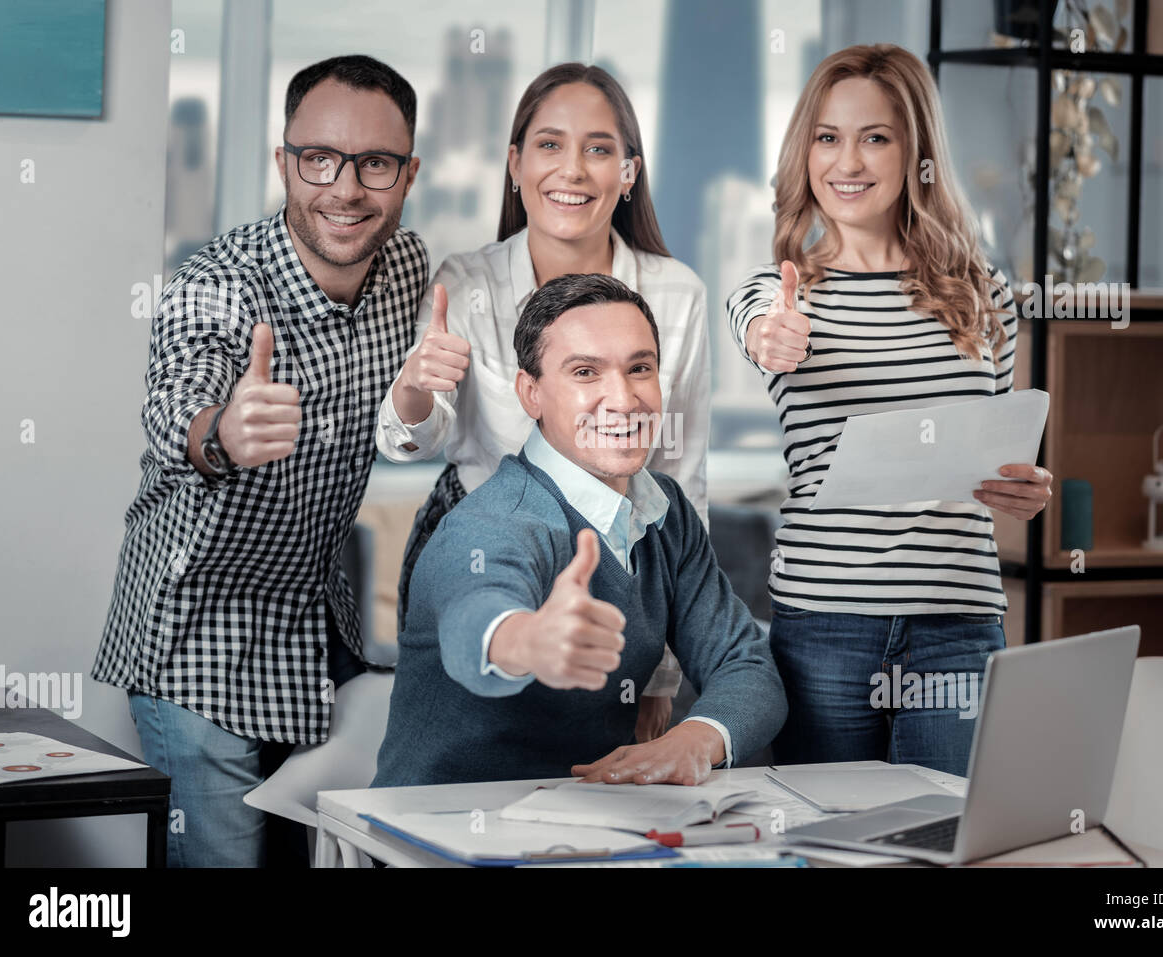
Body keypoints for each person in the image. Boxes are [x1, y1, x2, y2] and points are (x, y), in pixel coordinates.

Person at [93, 55, 429, 866]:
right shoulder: (217, 281)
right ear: (283, 162)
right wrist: (224, 433)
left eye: (375, 163)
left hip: (315, 625)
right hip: (198, 634)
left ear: (409, 175)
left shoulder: (408, 270)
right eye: (319, 159)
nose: (346, 189)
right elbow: (177, 402)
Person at [726, 45, 1053, 776]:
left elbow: (995, 450)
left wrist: (1025, 488)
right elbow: (758, 330)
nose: (848, 161)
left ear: (917, 154)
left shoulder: (985, 294)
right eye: (827, 137)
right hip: (825, 626)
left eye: (875, 137)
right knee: (828, 829)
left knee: (949, 829)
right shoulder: (777, 293)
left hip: (957, 621)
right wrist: (771, 336)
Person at [374, 64, 711, 742]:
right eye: (550, 144)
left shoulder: (678, 294)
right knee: (475, 751)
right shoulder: (466, 281)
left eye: (599, 148)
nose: (573, 169)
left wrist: (662, 672)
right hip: (486, 550)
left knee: (596, 770)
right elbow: (412, 441)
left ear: (629, 172)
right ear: (515, 164)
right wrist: (413, 387)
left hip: (620, 562)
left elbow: (682, 481)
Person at [373, 274, 786, 787]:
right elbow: (472, 623)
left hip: (596, 812)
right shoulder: (492, 521)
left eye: (640, 369)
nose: (624, 400)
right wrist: (529, 641)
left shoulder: (666, 510)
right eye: (586, 372)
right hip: (446, 820)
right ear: (531, 394)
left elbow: (745, 663)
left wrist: (695, 739)